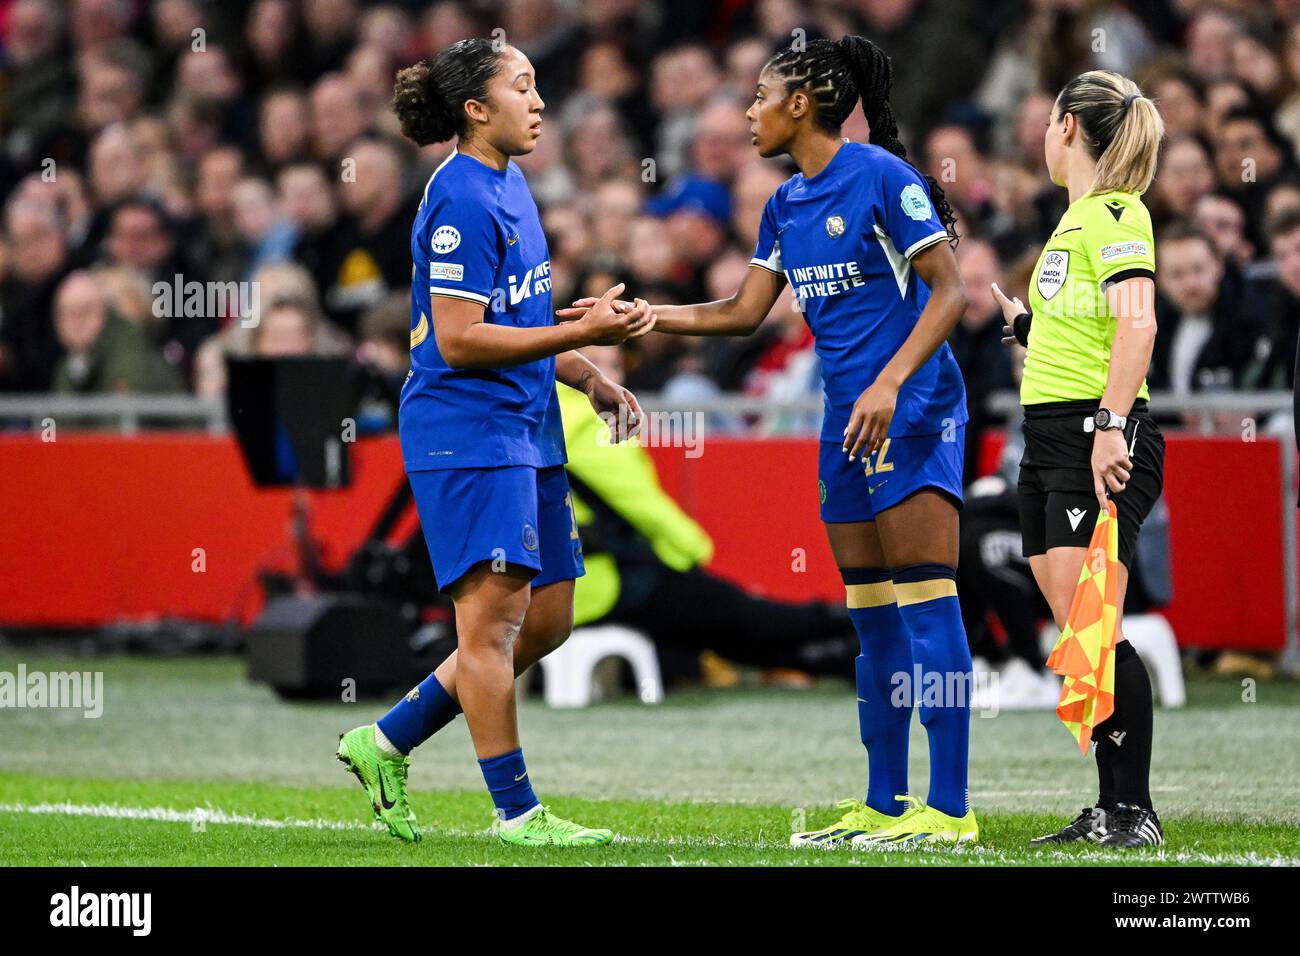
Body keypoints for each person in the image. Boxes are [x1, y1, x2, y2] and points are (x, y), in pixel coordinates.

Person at [564, 36, 977, 847]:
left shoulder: (885, 179)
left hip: (915, 410)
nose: (749, 111)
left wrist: (891, 382)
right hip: (844, 423)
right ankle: (885, 801)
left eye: (759, 96)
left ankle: (953, 810)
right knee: (872, 620)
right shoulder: (785, 203)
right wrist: (641, 316)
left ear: (802, 103)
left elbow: (952, 291)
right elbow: (741, 313)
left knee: (928, 604)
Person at [336, 38, 655, 848]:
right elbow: (461, 340)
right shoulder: (463, 198)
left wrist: (586, 371)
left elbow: (523, 319)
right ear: (476, 110)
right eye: (523, 86)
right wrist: (576, 333)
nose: (540, 101)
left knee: (548, 621)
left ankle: (386, 741)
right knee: (490, 629)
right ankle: (517, 813)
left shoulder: (512, 186)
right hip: (468, 431)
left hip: (529, 425)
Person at [992, 69, 1167, 848]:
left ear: (1066, 125)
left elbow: (1139, 327)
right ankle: (1108, 807)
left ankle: (1133, 810)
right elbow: (1095, 335)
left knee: (1093, 625)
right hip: (1051, 436)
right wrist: (1028, 328)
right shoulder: (1077, 223)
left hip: (1094, 436)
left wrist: (1109, 425)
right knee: (1075, 624)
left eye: (1044, 119)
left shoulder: (1118, 213)